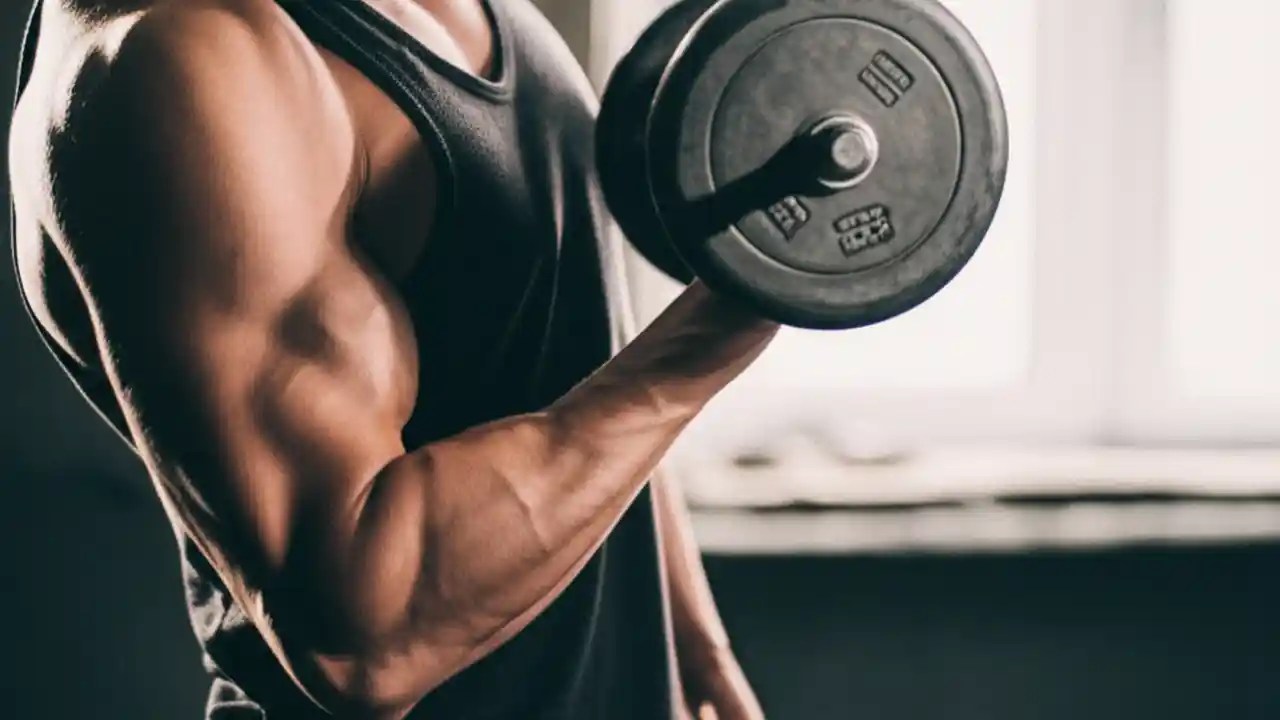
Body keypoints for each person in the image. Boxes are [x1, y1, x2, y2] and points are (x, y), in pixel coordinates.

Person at [8, 0, 778, 717]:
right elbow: (363, 639)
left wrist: (692, 648)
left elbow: (575, 345)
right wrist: (734, 315)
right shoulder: (187, 62)